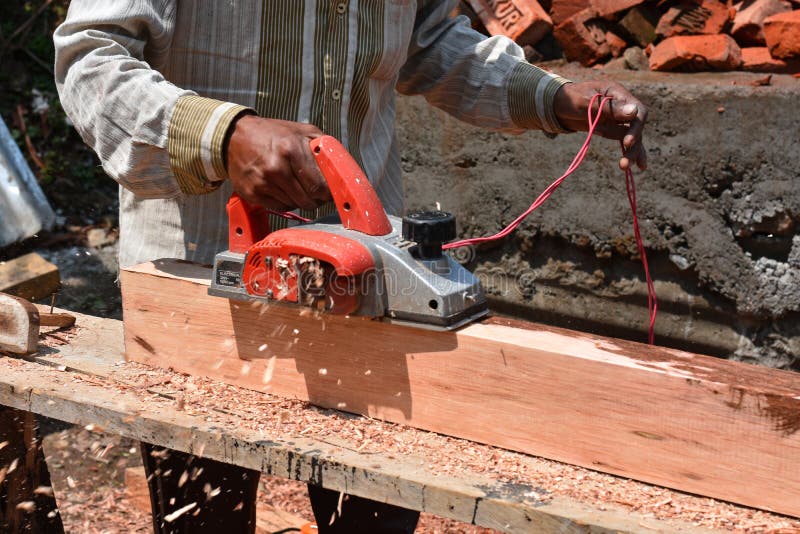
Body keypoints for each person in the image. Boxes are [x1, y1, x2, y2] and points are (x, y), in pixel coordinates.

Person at [54, 1, 648, 532]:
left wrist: (551, 96)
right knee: (204, 513)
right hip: (202, 278)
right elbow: (89, 60)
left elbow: (433, 41)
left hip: (368, 285)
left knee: (375, 516)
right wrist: (221, 135)